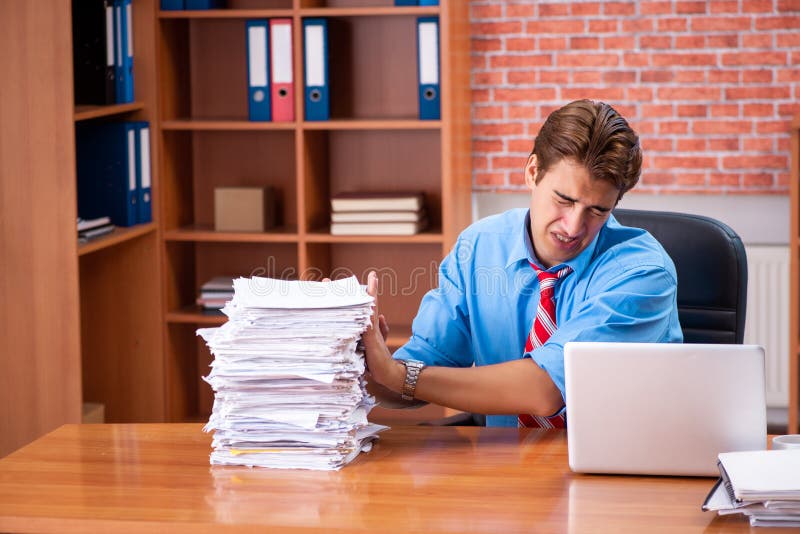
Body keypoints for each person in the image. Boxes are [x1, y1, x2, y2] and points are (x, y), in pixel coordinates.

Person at [362, 99, 683, 427]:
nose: (573, 227)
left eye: (597, 210)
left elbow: (546, 391)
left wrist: (396, 374)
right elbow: (413, 375)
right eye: (564, 200)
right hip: (504, 467)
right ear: (532, 172)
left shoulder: (643, 273)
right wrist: (350, 360)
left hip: (616, 469)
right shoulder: (478, 249)